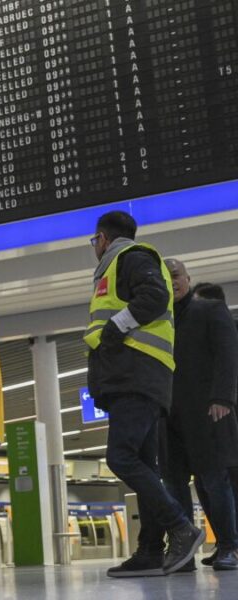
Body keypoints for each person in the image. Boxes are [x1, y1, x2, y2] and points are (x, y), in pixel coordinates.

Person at [83, 210, 204, 577]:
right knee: (145, 463)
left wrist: (115, 330)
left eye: (94, 241)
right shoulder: (117, 265)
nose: (95, 247)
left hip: (135, 376)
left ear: (102, 238)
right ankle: (150, 550)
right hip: (136, 377)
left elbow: (154, 294)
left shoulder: (130, 257)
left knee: (120, 456)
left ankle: (181, 527)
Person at [160, 259, 238, 570]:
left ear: (188, 278)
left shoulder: (209, 310)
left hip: (206, 411)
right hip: (168, 413)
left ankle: (229, 545)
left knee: (213, 480)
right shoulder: (157, 321)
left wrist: (222, 397)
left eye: (176, 275)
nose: (173, 281)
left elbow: (227, 354)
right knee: (175, 483)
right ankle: (185, 552)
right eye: (166, 278)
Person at [190, 282, 238, 566]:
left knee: (224, 482)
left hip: (225, 420)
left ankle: (229, 545)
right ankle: (224, 543)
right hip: (210, 421)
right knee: (207, 482)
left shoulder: (225, 332)